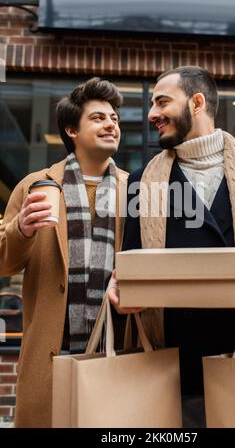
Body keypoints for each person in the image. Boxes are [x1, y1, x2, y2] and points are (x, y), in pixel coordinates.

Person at [108, 66, 235, 427]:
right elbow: (128, 261)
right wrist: (121, 290)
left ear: (197, 103)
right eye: (151, 103)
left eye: (162, 101)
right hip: (166, 367)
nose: (151, 113)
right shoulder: (141, 182)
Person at [0, 77, 128, 428]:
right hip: (50, 357)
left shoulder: (136, 190)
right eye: (98, 118)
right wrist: (22, 229)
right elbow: (3, 261)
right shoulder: (35, 185)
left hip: (116, 354)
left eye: (114, 118)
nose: (111, 124)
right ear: (71, 129)